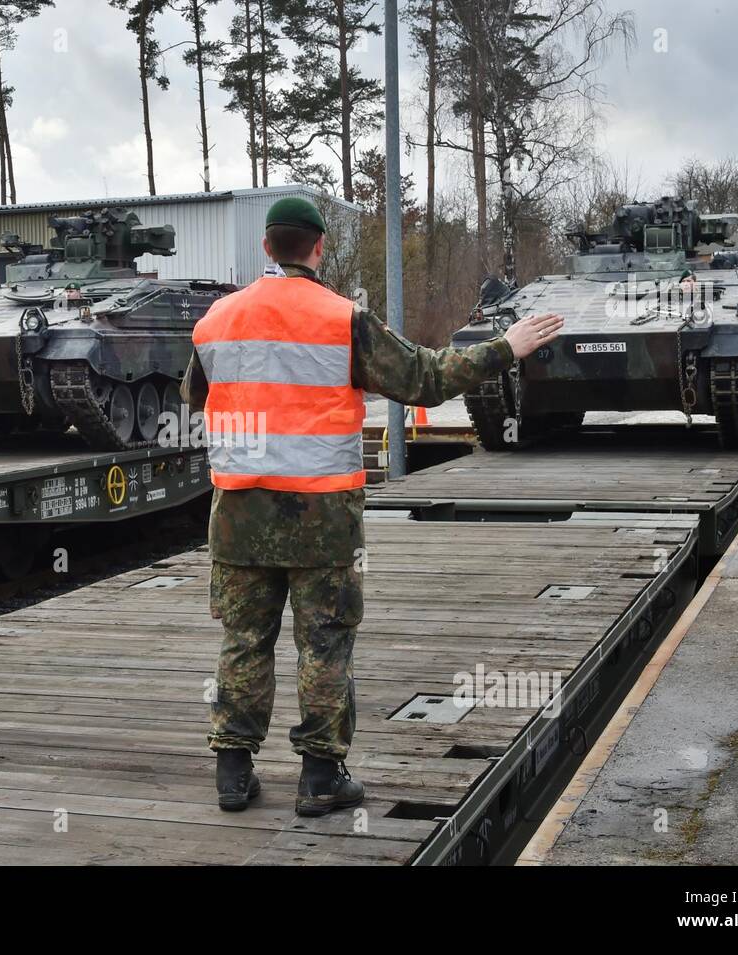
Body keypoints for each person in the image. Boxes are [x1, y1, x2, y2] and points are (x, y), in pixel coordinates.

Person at [181, 197, 563, 815]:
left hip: (239, 515)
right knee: (325, 644)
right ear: (319, 248)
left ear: (266, 248)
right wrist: (504, 346)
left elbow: (198, 397)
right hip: (322, 518)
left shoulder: (216, 321)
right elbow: (425, 379)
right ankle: (320, 778)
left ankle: (232, 773)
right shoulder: (342, 319)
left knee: (243, 639)